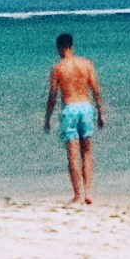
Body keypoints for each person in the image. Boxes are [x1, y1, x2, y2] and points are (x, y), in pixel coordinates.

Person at [46, 32, 105, 203]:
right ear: (72, 46)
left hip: (70, 108)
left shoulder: (58, 69)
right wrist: (101, 112)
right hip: (86, 108)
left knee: (72, 155)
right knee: (86, 151)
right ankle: (88, 193)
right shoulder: (86, 64)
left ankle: (77, 195)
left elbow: (52, 97)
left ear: (59, 48)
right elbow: (95, 90)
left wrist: (47, 119)